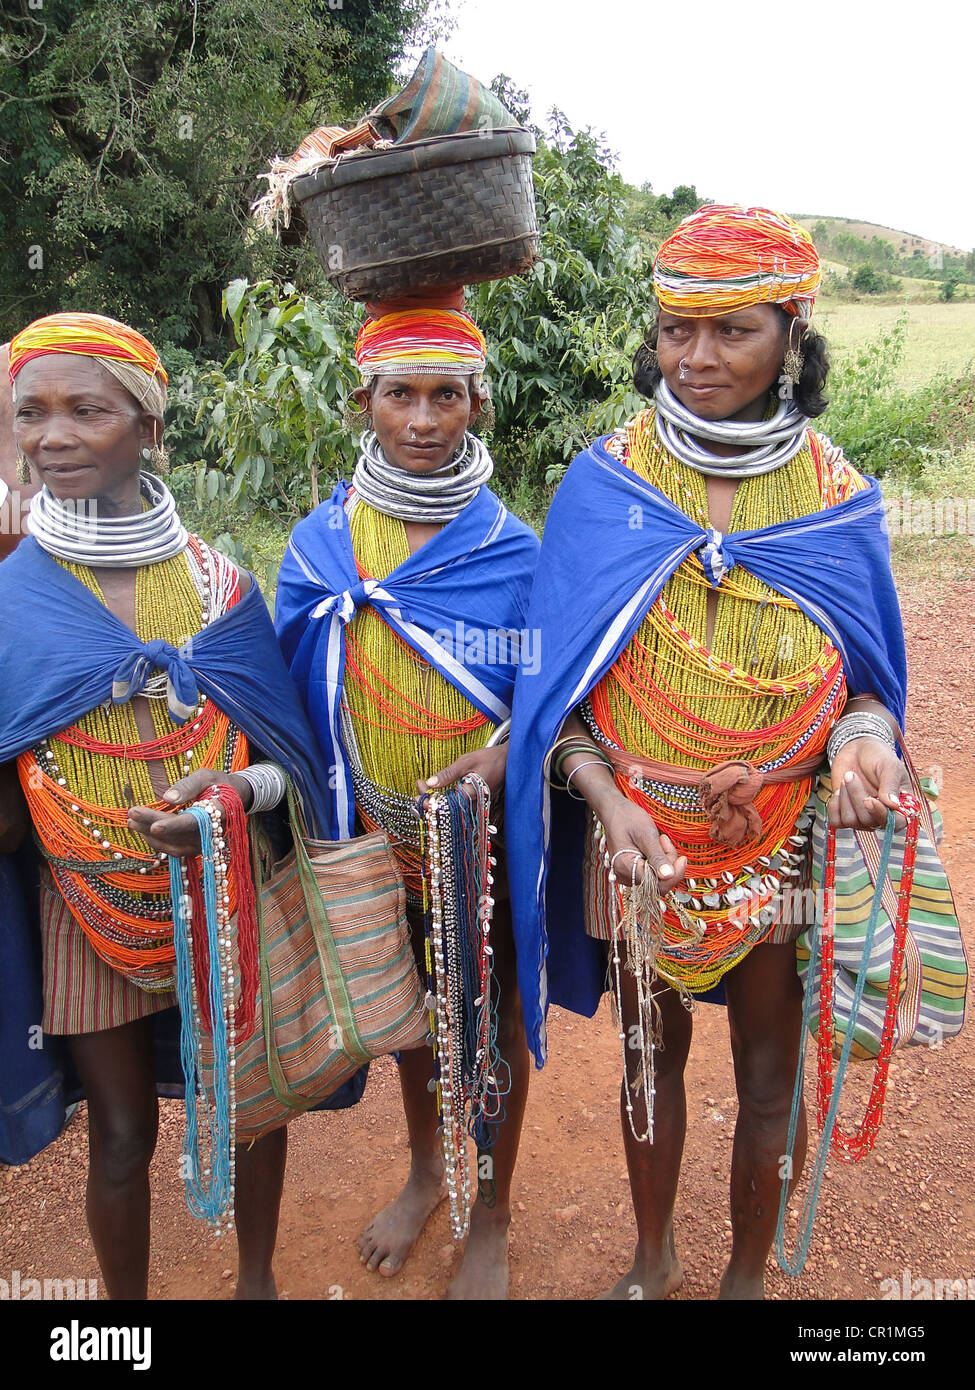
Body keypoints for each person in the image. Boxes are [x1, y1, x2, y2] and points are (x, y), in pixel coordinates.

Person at [505, 206, 911, 1299]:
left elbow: (870, 679)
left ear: (793, 330)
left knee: (769, 1066)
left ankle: (743, 1276)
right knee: (648, 1057)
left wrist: (853, 748)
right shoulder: (606, 486)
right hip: (635, 840)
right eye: (676, 328)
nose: (694, 357)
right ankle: (652, 1251)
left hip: (776, 842)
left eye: (732, 330)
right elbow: (554, 698)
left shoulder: (835, 499)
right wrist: (602, 792)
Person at [0, 311, 347, 1299]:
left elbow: (291, 763)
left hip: (225, 888)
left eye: (85, 410)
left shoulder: (220, 590)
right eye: (32, 413)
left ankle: (258, 1280)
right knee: (119, 1135)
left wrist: (234, 788)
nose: (53, 435)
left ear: (149, 429)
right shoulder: (13, 599)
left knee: (256, 1098)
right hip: (84, 904)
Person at [275, 297, 540, 1299]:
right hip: (370, 832)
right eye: (400, 395)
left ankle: (495, 1207)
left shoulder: (513, 553)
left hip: (487, 836)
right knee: (409, 1013)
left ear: (477, 403)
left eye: (445, 395)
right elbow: (292, 683)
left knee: (493, 1013)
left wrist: (504, 755)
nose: (422, 419)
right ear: (364, 403)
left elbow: (554, 693)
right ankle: (430, 1169)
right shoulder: (323, 548)